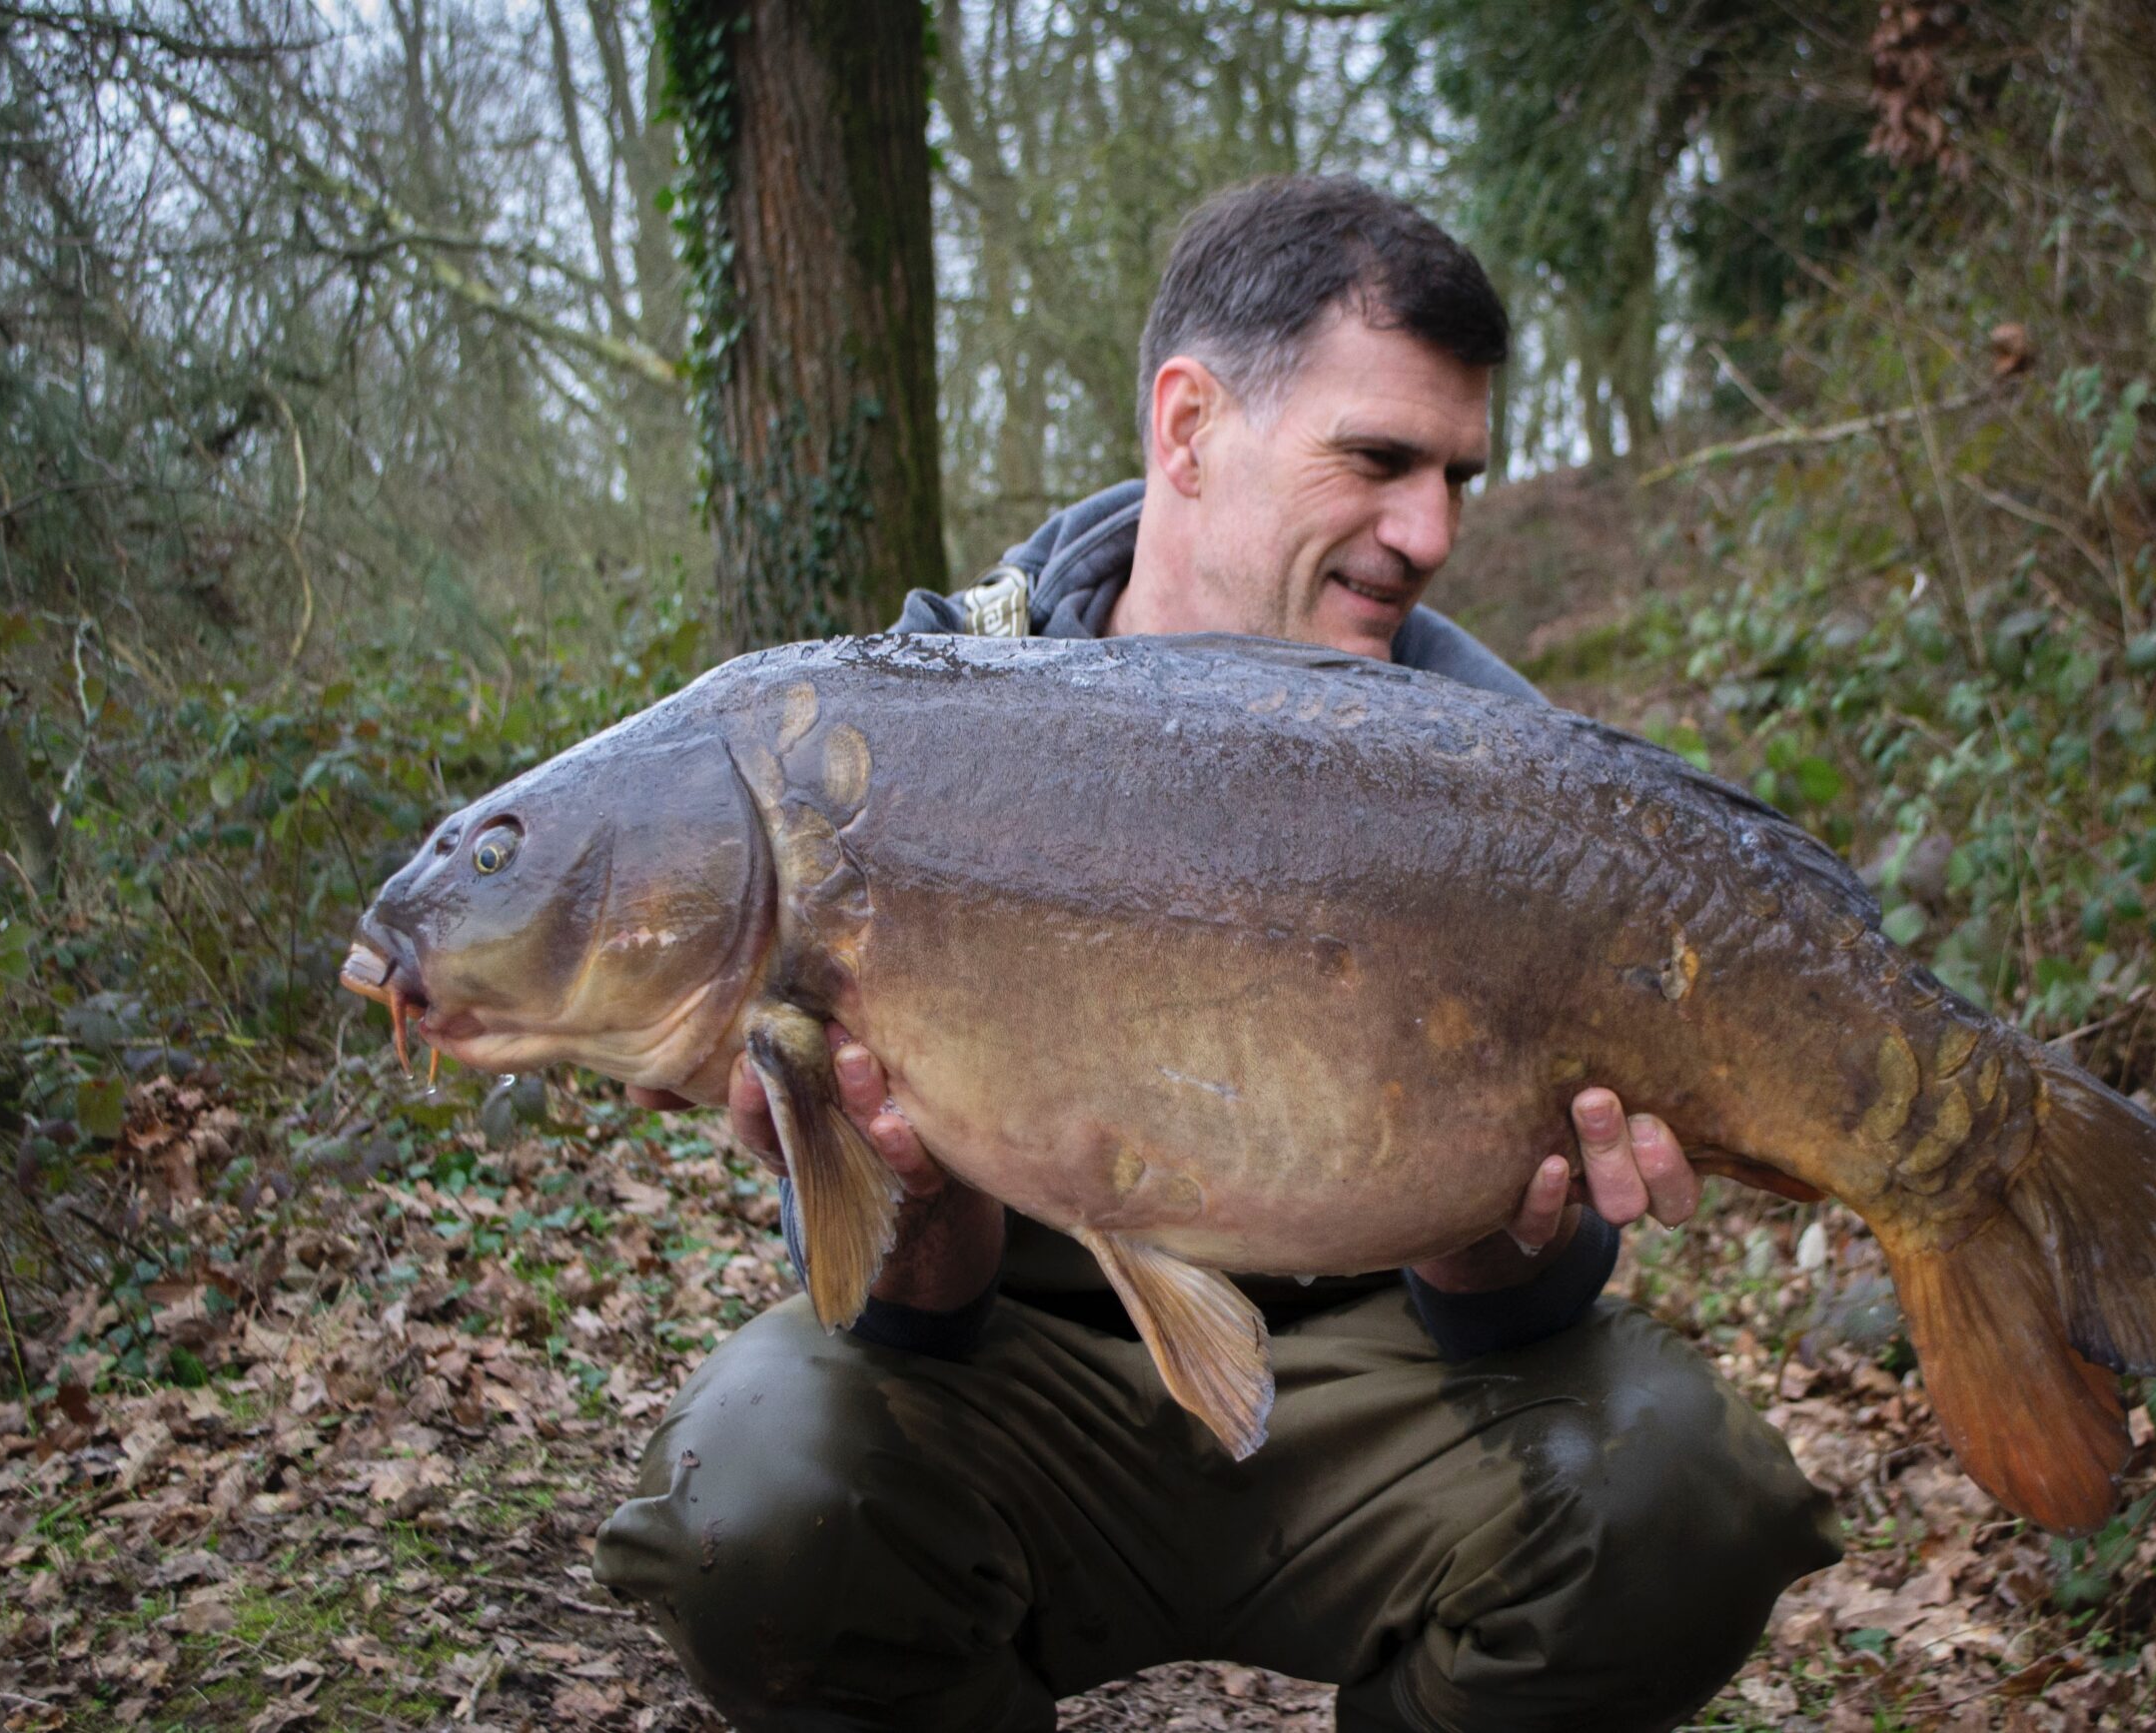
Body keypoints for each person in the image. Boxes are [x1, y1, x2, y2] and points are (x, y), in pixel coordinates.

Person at [592, 176, 1839, 1733]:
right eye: (1379, 460)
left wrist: (1498, 1219)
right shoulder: (909, 729)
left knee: (1678, 1478)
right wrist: (897, 1185)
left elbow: (1515, 1323)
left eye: (1457, 474)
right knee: (760, 1485)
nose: (1433, 531)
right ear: (1186, 427)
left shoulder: (1512, 778)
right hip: (1023, 1400)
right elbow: (912, 1326)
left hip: (1385, 1404)